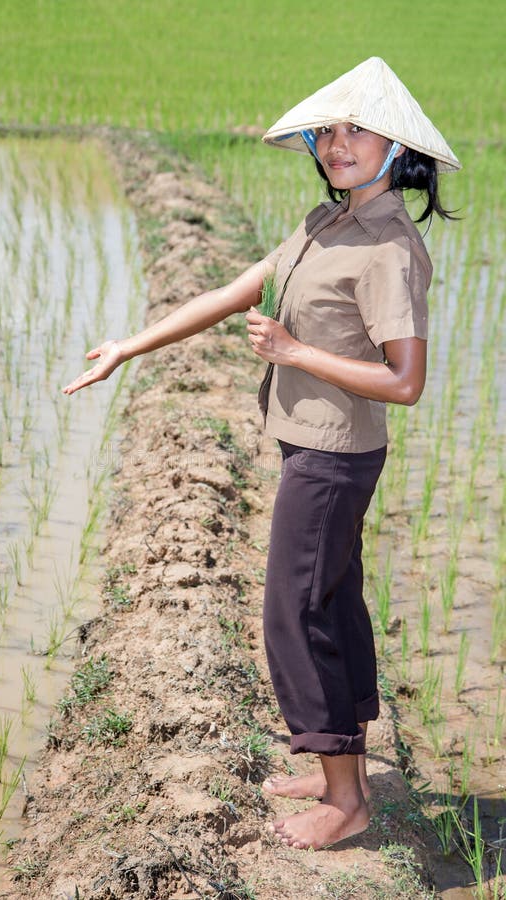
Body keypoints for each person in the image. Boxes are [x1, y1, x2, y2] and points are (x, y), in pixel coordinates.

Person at [63, 57, 459, 851]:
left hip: (334, 457)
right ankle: (334, 762)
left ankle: (347, 802)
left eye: (357, 130)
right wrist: (127, 348)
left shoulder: (386, 243)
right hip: (307, 447)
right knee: (332, 602)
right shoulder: (329, 221)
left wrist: (293, 351)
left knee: (295, 614)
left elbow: (405, 382)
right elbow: (240, 288)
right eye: (329, 131)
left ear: (398, 147)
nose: (337, 143)